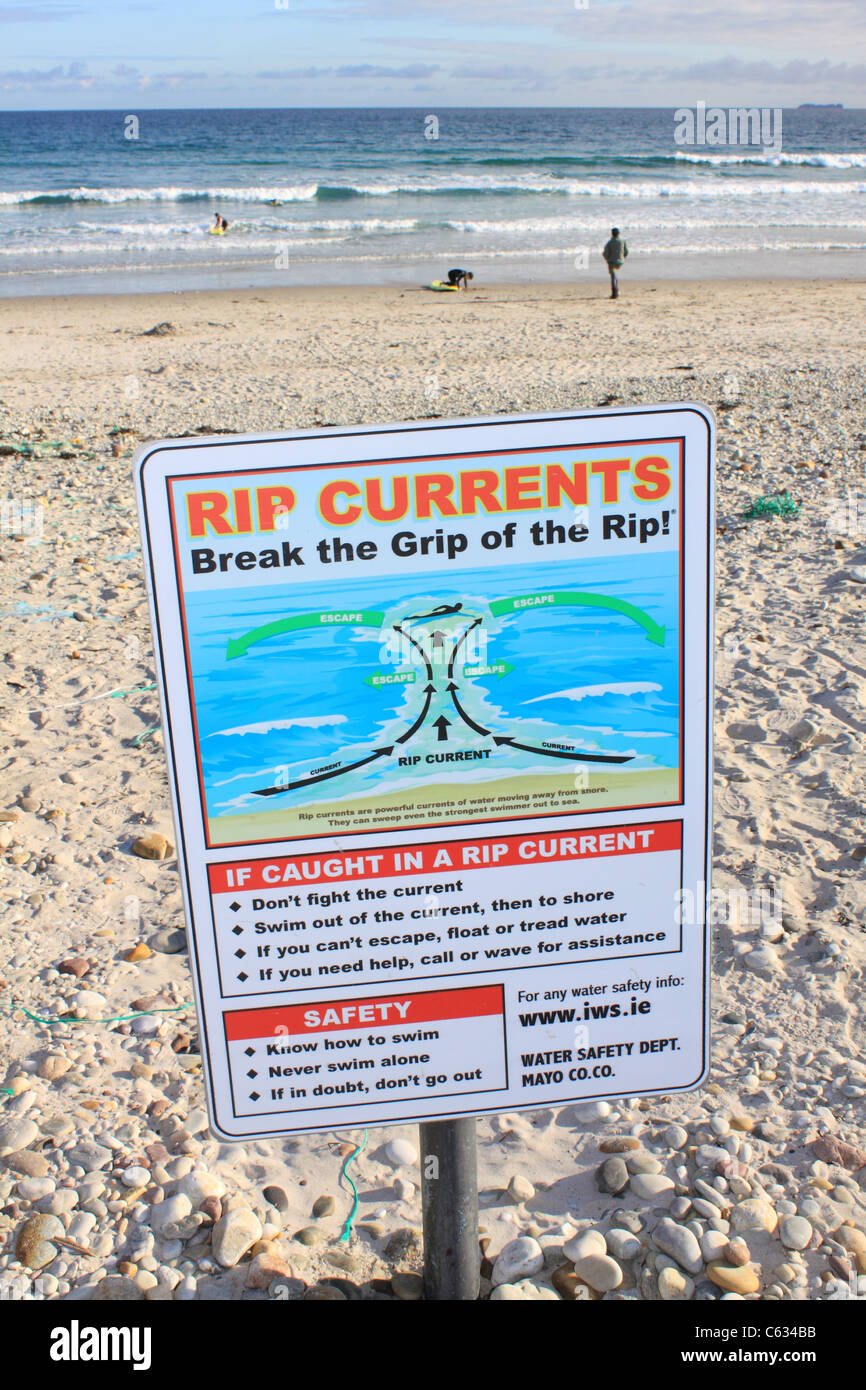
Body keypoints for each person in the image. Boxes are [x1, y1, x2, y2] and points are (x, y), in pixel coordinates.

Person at [602, 227, 628, 299]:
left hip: (612, 261)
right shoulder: (623, 241)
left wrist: (606, 259)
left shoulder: (609, 243)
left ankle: (614, 292)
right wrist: (623, 258)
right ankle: (616, 290)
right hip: (620, 261)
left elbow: (605, 253)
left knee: (613, 275)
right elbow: (626, 252)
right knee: (614, 274)